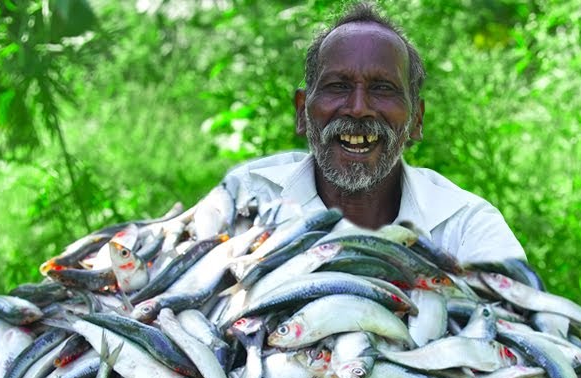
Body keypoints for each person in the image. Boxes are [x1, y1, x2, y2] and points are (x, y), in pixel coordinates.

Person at [222, 2, 526, 268]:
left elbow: (519, 321)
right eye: (338, 86)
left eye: (382, 88)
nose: (358, 109)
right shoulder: (246, 197)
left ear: (416, 119)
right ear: (302, 112)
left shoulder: (465, 226)